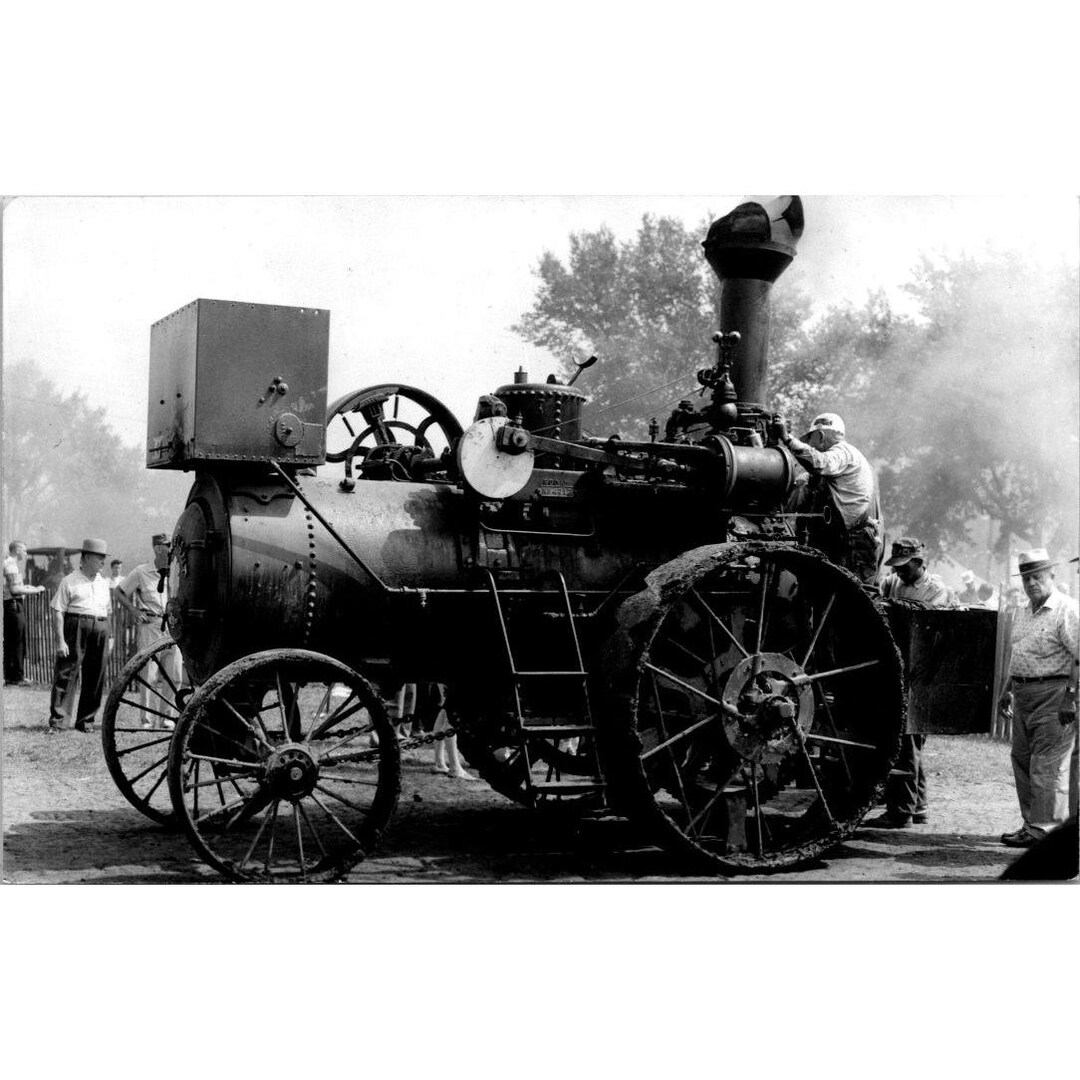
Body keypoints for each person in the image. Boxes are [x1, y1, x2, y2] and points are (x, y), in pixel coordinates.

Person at [875, 537, 958, 827]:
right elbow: (879, 593)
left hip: (921, 676)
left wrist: (895, 605)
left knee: (907, 743)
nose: (899, 572)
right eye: (896, 566)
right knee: (913, 744)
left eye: (904, 567)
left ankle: (901, 812)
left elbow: (929, 624)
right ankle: (919, 806)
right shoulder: (893, 581)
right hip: (901, 670)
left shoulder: (936, 589)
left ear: (919, 563)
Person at [997, 548, 1078, 848]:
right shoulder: (1022, 611)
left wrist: (1070, 697)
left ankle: (1047, 830)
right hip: (1023, 695)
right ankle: (1032, 823)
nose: (1032, 583)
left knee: (1048, 765)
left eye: (1038, 577)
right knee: (1022, 759)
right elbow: (1018, 654)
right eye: (1027, 578)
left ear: (1052, 577)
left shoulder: (1066, 610)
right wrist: (1007, 689)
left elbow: (1078, 656)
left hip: (1054, 695)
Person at [769, 411, 882, 584]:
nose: (809, 446)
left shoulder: (844, 452)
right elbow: (792, 502)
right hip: (835, 542)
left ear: (821, 436)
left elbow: (819, 463)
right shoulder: (823, 475)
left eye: (810, 440)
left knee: (848, 599)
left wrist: (787, 437)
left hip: (852, 544)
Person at [114, 534, 180, 728]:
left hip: (173, 628)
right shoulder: (141, 571)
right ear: (158, 548)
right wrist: (134, 611)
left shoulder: (176, 571)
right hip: (151, 626)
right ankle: (147, 720)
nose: (172, 550)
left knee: (175, 674)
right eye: (168, 546)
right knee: (149, 675)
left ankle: (167, 718)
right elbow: (119, 591)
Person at [48, 538, 113, 733]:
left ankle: (86, 721)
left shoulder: (103, 583)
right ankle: (59, 721)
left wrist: (110, 637)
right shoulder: (69, 581)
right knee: (67, 672)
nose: (102, 562)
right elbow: (58, 610)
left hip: (101, 627)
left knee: (95, 675)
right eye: (98, 558)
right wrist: (60, 640)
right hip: (76, 626)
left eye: (104, 558)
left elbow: (108, 611)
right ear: (84, 559)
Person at [4, 541, 46, 685]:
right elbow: (15, 591)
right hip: (14, 606)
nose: (26, 553)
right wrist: (35, 590)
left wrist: (34, 587)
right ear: (17, 550)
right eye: (24, 550)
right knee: (17, 641)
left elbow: (19, 586)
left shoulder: (9, 564)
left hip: (11, 605)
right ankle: (17, 677)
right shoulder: (11, 565)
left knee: (11, 642)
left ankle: (10, 676)